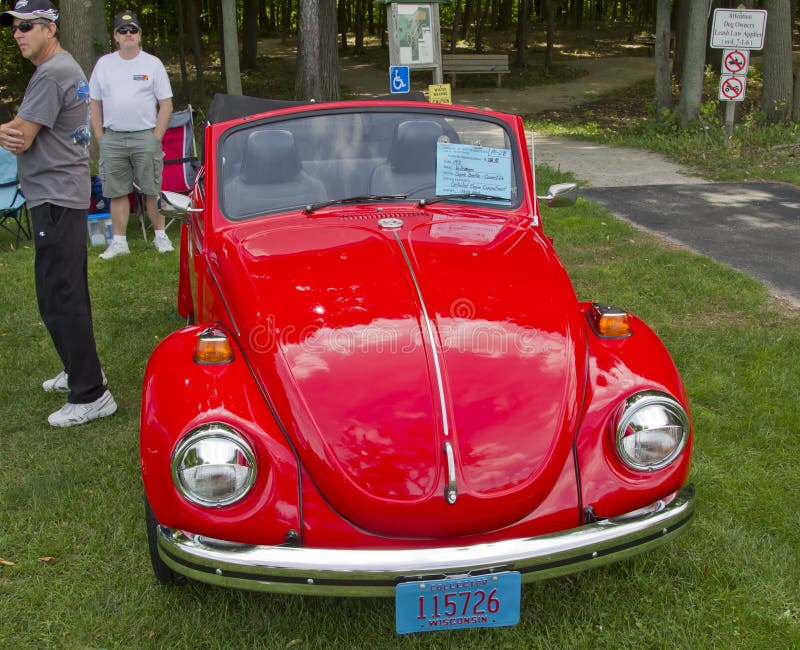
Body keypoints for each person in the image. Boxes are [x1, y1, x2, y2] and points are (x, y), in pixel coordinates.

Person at [0, 0, 116, 427]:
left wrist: (5, 130)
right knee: (65, 292)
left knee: (59, 296)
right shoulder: (62, 67)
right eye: (14, 27)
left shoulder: (52, 73)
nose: (18, 34)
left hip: (54, 195)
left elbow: (20, 138)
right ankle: (80, 368)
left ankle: (91, 393)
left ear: (50, 28)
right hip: (60, 194)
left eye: (27, 26)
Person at [89, 10, 174, 259]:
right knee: (116, 191)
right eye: (122, 31)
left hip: (145, 137)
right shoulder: (104, 64)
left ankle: (161, 236)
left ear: (140, 35)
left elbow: (166, 104)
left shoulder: (152, 64)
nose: (128, 34)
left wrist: (156, 136)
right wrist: (100, 136)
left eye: (133, 30)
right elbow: (94, 102)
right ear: (115, 36)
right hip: (112, 138)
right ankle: (119, 242)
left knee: (151, 190)